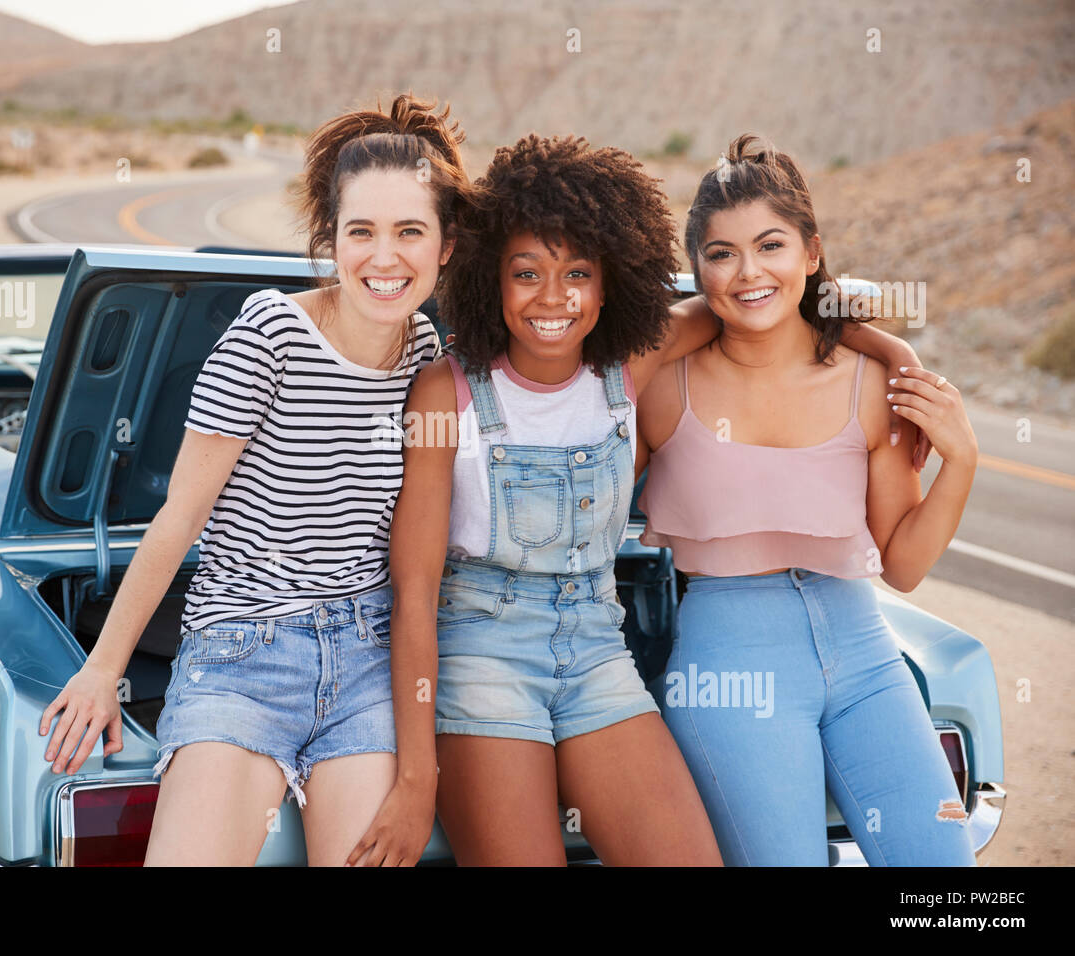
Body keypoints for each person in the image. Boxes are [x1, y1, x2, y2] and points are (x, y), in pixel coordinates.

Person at [365, 133, 921, 865]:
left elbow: (754, 305)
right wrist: (414, 779)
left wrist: (895, 352)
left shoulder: (631, 365)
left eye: (578, 273)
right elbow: (413, 591)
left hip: (598, 650)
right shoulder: (449, 391)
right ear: (490, 278)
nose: (554, 297)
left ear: (610, 284)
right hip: (482, 656)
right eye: (526, 273)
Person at [38, 92, 482, 866]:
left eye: (410, 231)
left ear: (446, 246)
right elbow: (180, 517)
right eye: (361, 232)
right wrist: (103, 668)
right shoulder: (268, 334)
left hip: (368, 660)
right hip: (243, 650)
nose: (385, 258)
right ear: (330, 238)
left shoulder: (424, 351)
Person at [635, 133, 979, 866]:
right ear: (697, 270)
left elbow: (904, 566)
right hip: (728, 669)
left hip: (866, 654)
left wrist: (963, 460)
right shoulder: (662, 387)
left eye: (771, 246)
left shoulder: (869, 383)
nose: (748, 272)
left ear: (811, 252)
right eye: (722, 254)